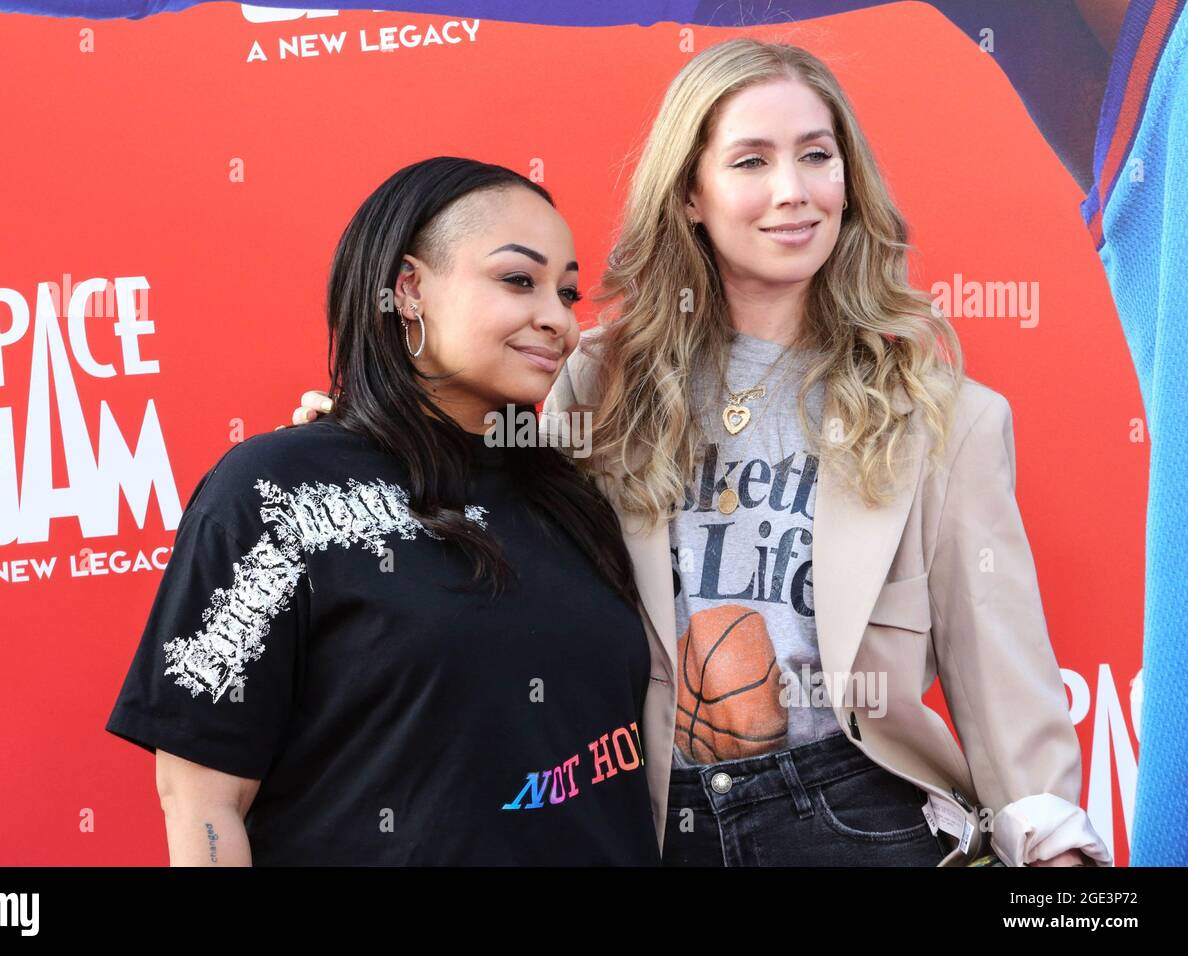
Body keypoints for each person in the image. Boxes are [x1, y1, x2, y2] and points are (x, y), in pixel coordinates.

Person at [293, 39, 1113, 867]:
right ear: (691, 194)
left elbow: (1001, 676)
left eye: (816, 157)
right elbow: (491, 523)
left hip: (851, 814)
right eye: (751, 161)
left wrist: (1062, 868)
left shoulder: (945, 418)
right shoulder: (597, 381)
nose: (792, 192)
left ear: (847, 181)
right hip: (639, 817)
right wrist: (370, 442)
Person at [105, 156, 661, 865]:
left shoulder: (575, 494)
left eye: (569, 293)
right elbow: (202, 802)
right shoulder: (275, 492)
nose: (558, 320)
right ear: (409, 289)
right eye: (518, 280)